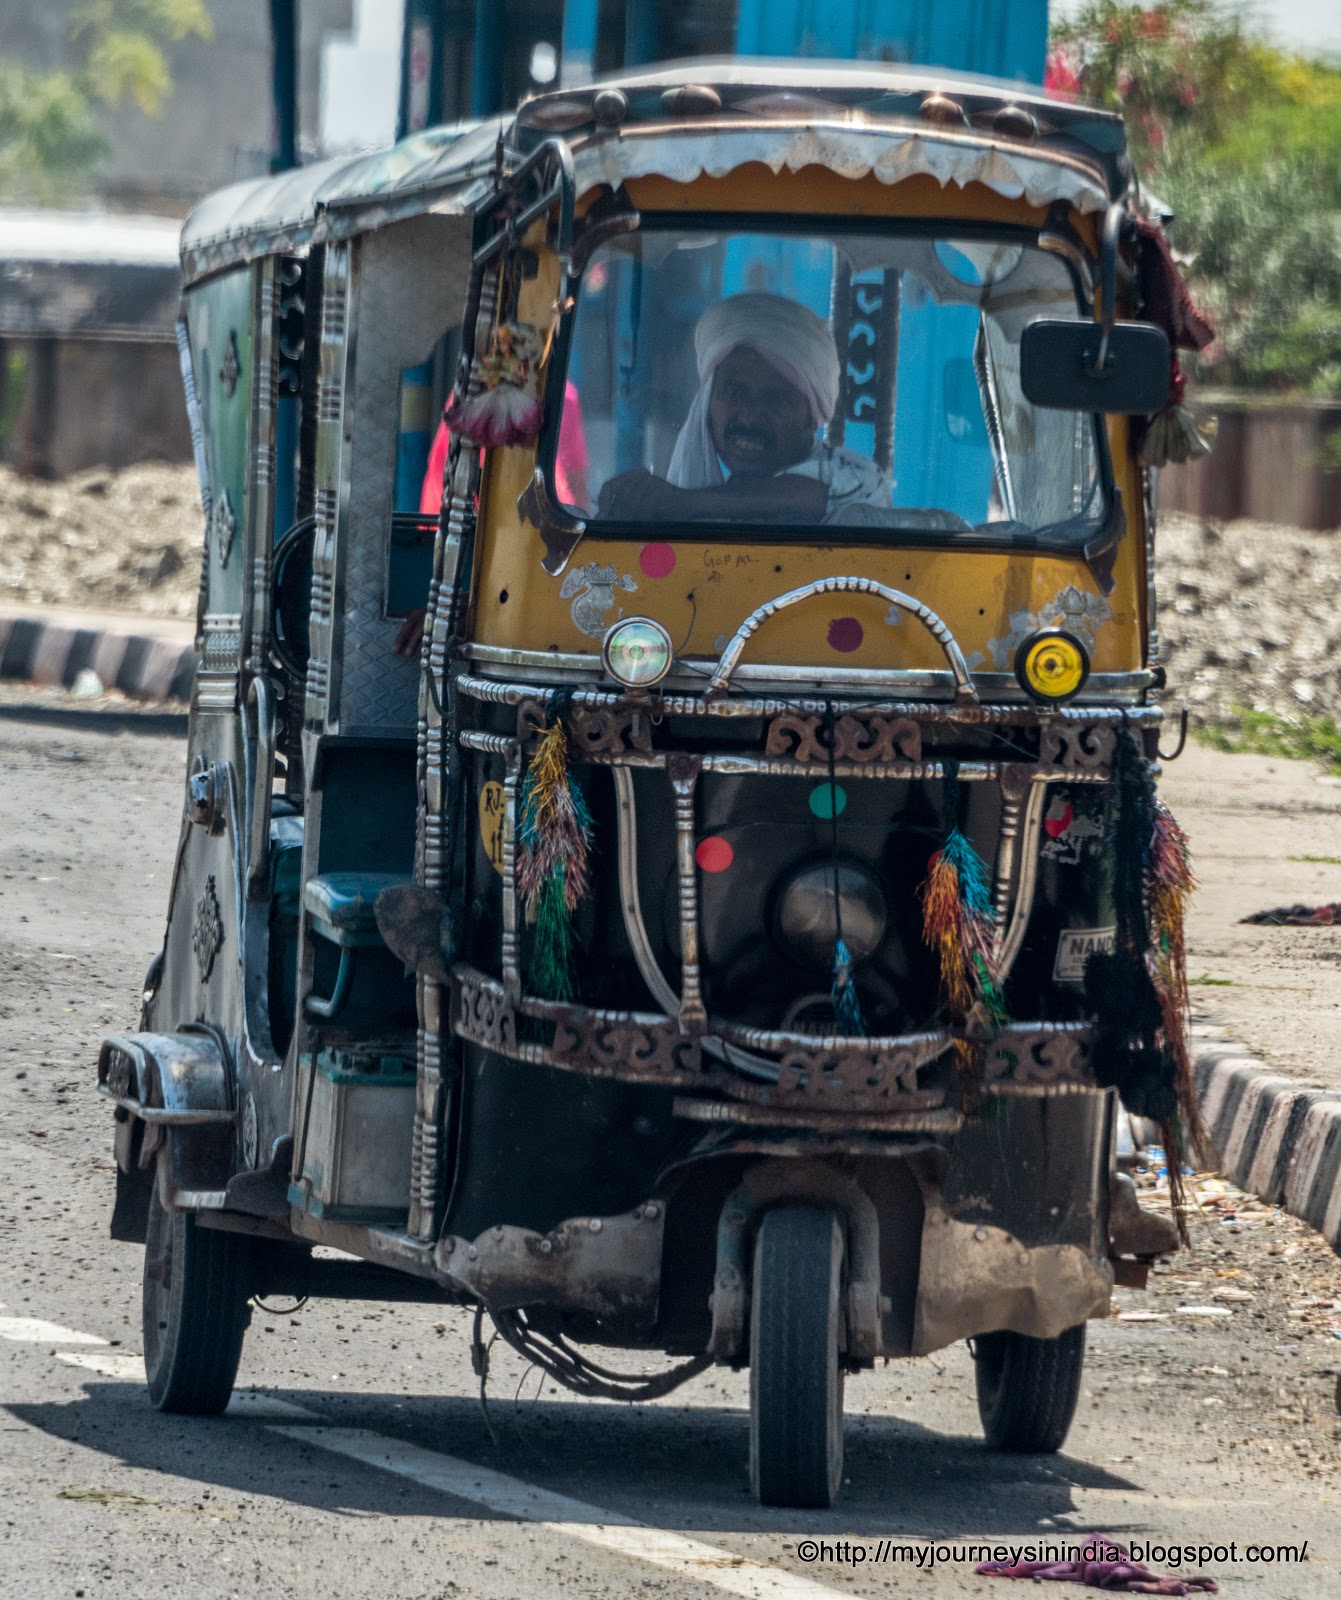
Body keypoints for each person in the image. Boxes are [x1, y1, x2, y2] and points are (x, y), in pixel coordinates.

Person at [595, 292, 890, 524]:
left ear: (810, 418)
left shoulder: (859, 478)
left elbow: (814, 493)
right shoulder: (711, 504)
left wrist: (681, 503)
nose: (749, 415)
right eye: (735, 392)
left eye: (776, 399)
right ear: (708, 405)